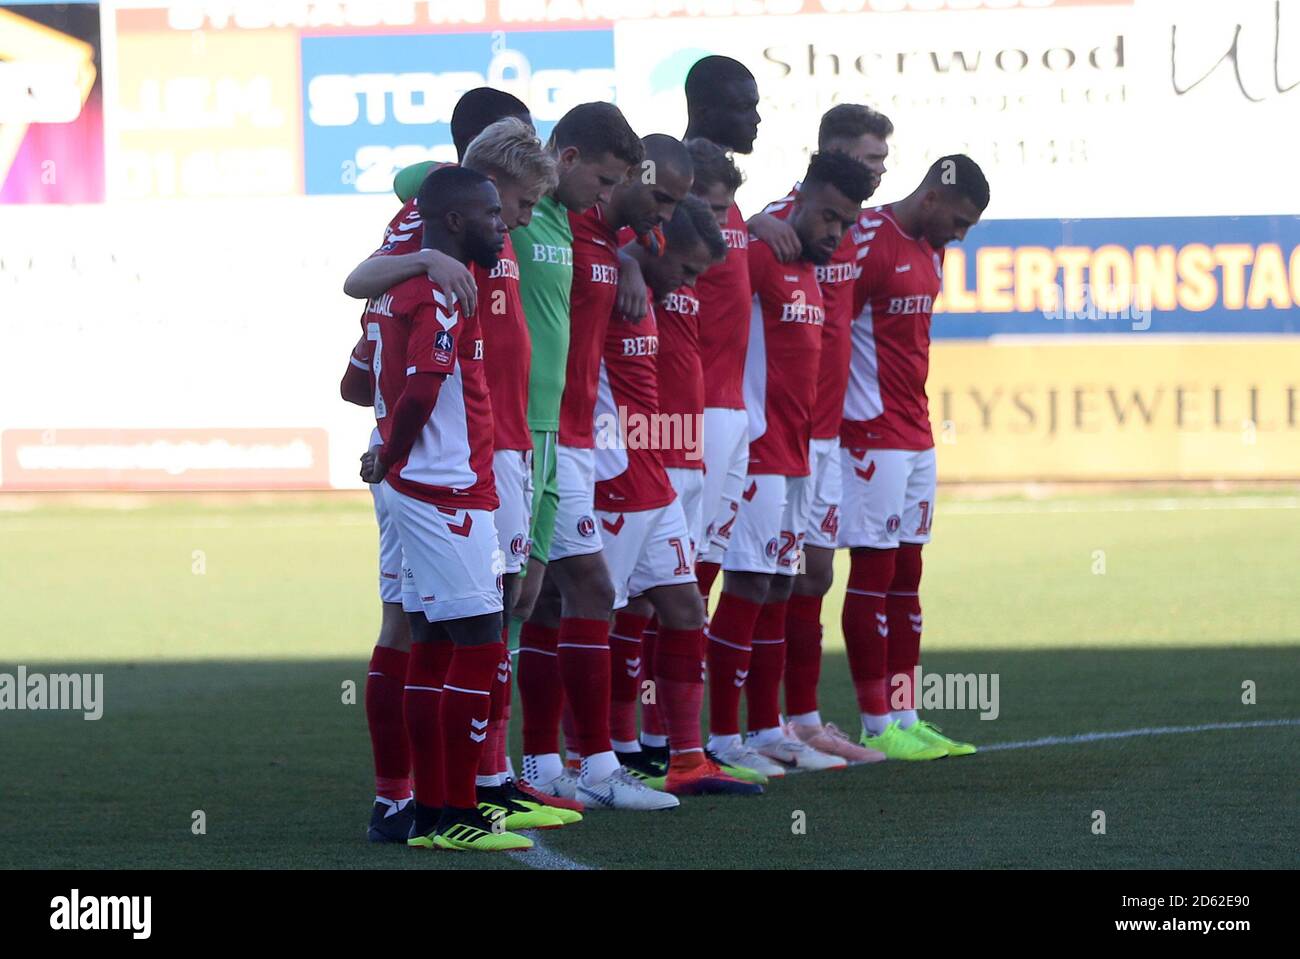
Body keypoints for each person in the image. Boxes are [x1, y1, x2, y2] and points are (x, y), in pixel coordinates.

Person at [520, 133, 694, 811]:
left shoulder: (612, 237)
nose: (662, 213)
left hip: (579, 444)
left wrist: (625, 254)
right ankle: (573, 764)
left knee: (556, 599)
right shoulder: (552, 220)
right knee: (559, 597)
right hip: (544, 439)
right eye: (655, 195)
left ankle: (552, 764)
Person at [357, 165, 525, 851]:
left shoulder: (402, 285)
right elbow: (425, 388)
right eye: (494, 213)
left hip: (417, 483)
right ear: (454, 220)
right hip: (441, 488)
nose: (504, 224)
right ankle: (453, 809)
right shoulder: (439, 292)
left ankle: (427, 808)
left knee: (427, 640)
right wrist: (395, 450)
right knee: (481, 642)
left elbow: (353, 378)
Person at [706, 151, 875, 777]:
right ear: (799, 196)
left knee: (779, 586)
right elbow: (699, 269)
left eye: (846, 222)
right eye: (827, 215)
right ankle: (722, 738)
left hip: (800, 456)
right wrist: (747, 230)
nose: (835, 231)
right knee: (747, 584)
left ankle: (764, 728)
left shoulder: (810, 266)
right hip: (757, 453)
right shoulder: (760, 253)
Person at [840, 155, 989, 760]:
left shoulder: (935, 250)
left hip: (916, 433)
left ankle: (907, 713)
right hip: (868, 435)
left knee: (908, 576)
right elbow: (829, 332)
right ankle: (877, 725)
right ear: (930, 197)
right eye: (959, 220)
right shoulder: (868, 238)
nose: (961, 234)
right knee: (873, 573)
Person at [761, 103, 895, 763]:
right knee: (765, 573)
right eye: (871, 159)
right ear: (834, 151)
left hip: (828, 431)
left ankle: (801, 717)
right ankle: (755, 727)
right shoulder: (780, 223)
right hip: (780, 431)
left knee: (813, 573)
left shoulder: (853, 227)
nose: (879, 173)